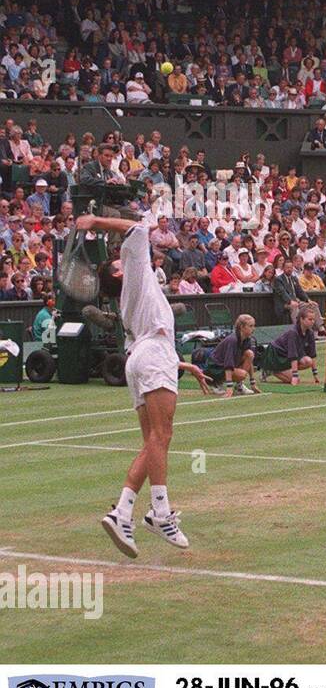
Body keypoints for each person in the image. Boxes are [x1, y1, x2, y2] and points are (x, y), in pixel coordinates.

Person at [76, 210, 212, 557]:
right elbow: (139, 227)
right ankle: (160, 512)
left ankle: (122, 511)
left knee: (152, 442)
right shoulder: (132, 268)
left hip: (143, 357)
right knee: (162, 437)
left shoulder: (129, 298)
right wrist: (96, 222)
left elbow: (144, 345)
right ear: (119, 271)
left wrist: (181, 363)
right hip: (152, 355)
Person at [204, 313, 260, 396]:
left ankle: (239, 387)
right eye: (250, 326)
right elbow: (228, 364)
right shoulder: (232, 340)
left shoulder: (247, 339)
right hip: (214, 370)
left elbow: (250, 360)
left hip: (226, 367)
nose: (253, 329)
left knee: (249, 354)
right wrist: (229, 387)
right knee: (242, 374)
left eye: (254, 326)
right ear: (242, 327)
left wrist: (253, 383)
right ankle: (215, 383)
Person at [264, 303, 321, 383]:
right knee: (295, 380)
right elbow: (293, 355)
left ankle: (284, 371)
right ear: (301, 319)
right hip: (276, 355)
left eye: (313, 320)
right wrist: (295, 376)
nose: (312, 322)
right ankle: (270, 370)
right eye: (310, 319)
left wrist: (315, 375)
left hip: (286, 356)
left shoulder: (310, 333)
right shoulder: (293, 333)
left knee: (308, 361)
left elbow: (312, 354)